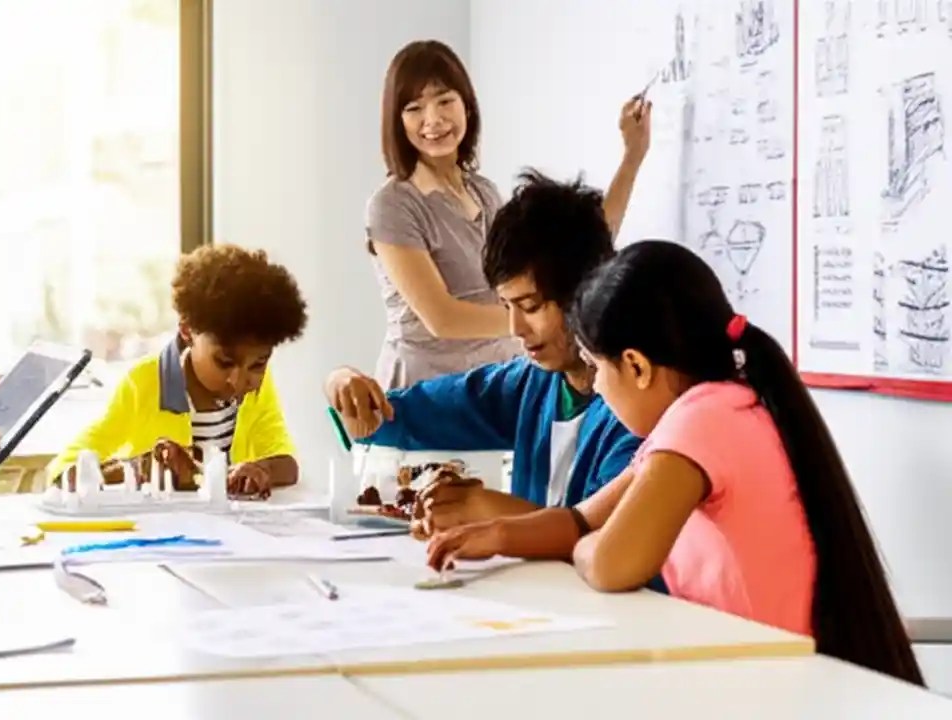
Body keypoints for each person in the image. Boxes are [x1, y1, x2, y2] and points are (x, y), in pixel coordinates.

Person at [427, 240, 924, 686]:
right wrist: (498, 534)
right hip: (751, 672)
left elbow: (611, 563)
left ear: (637, 366)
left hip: (769, 687)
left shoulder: (704, 420)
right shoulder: (717, 408)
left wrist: (583, 544)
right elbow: (581, 519)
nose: (597, 387)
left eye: (599, 369)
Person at [328, 169, 643, 537]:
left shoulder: (635, 407)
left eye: (530, 305)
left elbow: (609, 540)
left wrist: (491, 512)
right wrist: (343, 383)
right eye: (507, 306)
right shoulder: (531, 383)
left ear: (584, 294)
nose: (515, 329)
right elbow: (402, 415)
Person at [366, 39, 651, 388]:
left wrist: (632, 156)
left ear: (467, 107)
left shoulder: (483, 193)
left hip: (495, 386)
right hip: (426, 396)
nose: (433, 120)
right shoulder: (393, 204)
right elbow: (442, 318)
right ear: (397, 121)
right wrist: (544, 316)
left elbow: (585, 244)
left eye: (445, 101)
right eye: (414, 108)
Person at [47, 244, 307, 497]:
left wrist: (262, 469)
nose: (238, 381)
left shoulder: (258, 387)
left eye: (258, 364)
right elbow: (62, 474)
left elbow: (287, 463)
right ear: (187, 331)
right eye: (224, 362)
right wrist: (135, 467)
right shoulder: (144, 383)